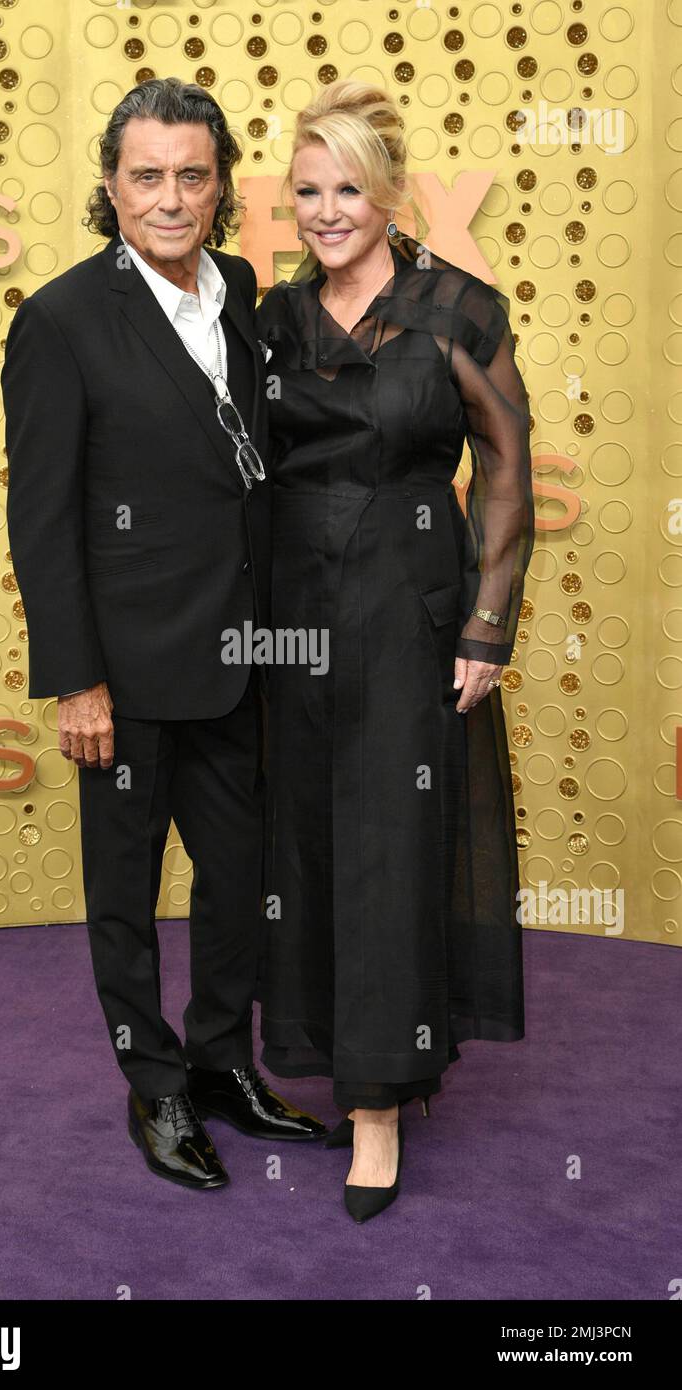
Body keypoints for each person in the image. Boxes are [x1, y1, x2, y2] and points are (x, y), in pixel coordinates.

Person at [2, 78, 327, 1194]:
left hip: (239, 660)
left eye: (193, 174)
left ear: (223, 184)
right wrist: (75, 681)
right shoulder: (58, 320)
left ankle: (222, 1061)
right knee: (125, 893)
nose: (172, 197)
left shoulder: (240, 288)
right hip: (125, 674)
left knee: (236, 881)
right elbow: (41, 520)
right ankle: (156, 1086)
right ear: (110, 185)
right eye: (148, 176)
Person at [255, 80, 535, 1222]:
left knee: (385, 848)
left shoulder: (456, 308)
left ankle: (377, 1105)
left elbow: (507, 472)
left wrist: (484, 625)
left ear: (389, 193)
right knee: (309, 847)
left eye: (349, 190)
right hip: (289, 618)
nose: (328, 213)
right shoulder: (272, 320)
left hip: (409, 613)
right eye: (308, 193)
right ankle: (335, 1052)